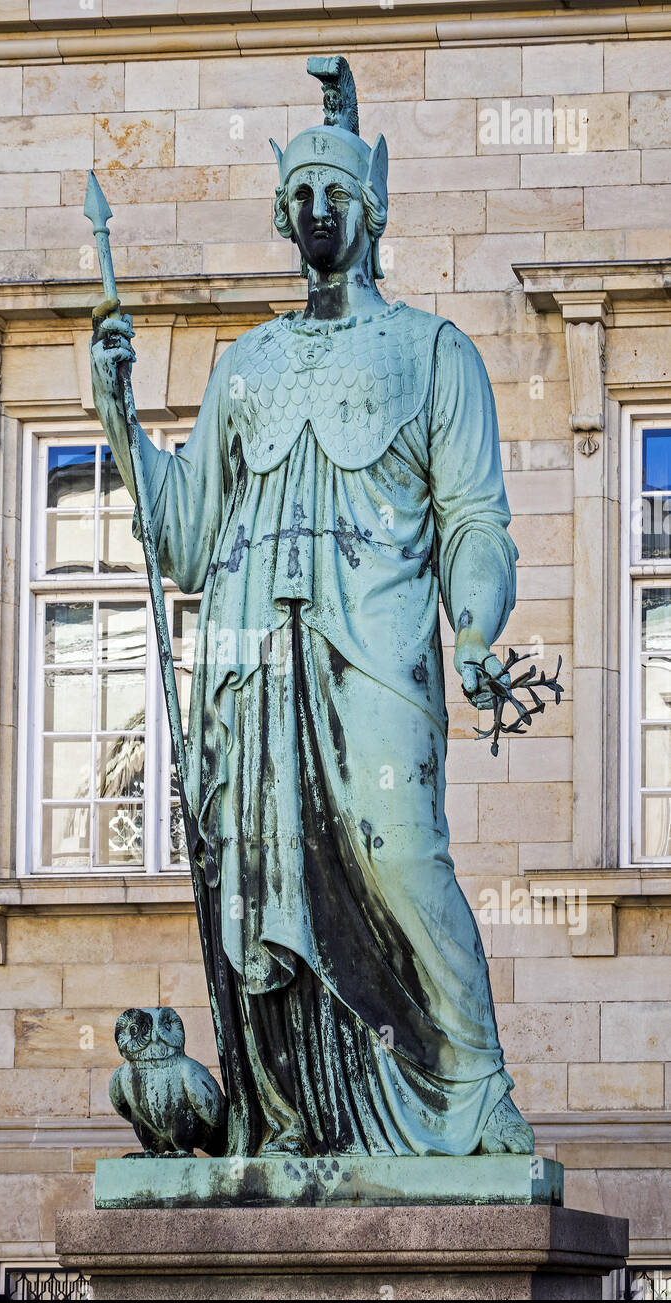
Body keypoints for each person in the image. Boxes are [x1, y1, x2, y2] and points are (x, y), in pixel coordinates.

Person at [89, 55, 534, 1159]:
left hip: (372, 640)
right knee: (258, 878)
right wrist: (114, 414)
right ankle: (289, 1114)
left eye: (335, 193)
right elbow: (187, 535)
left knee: (397, 857)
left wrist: (473, 627)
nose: (317, 212)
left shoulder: (433, 352)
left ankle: (474, 1093)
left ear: (369, 212)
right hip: (249, 654)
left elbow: (475, 519)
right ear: (284, 221)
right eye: (298, 199)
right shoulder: (244, 365)